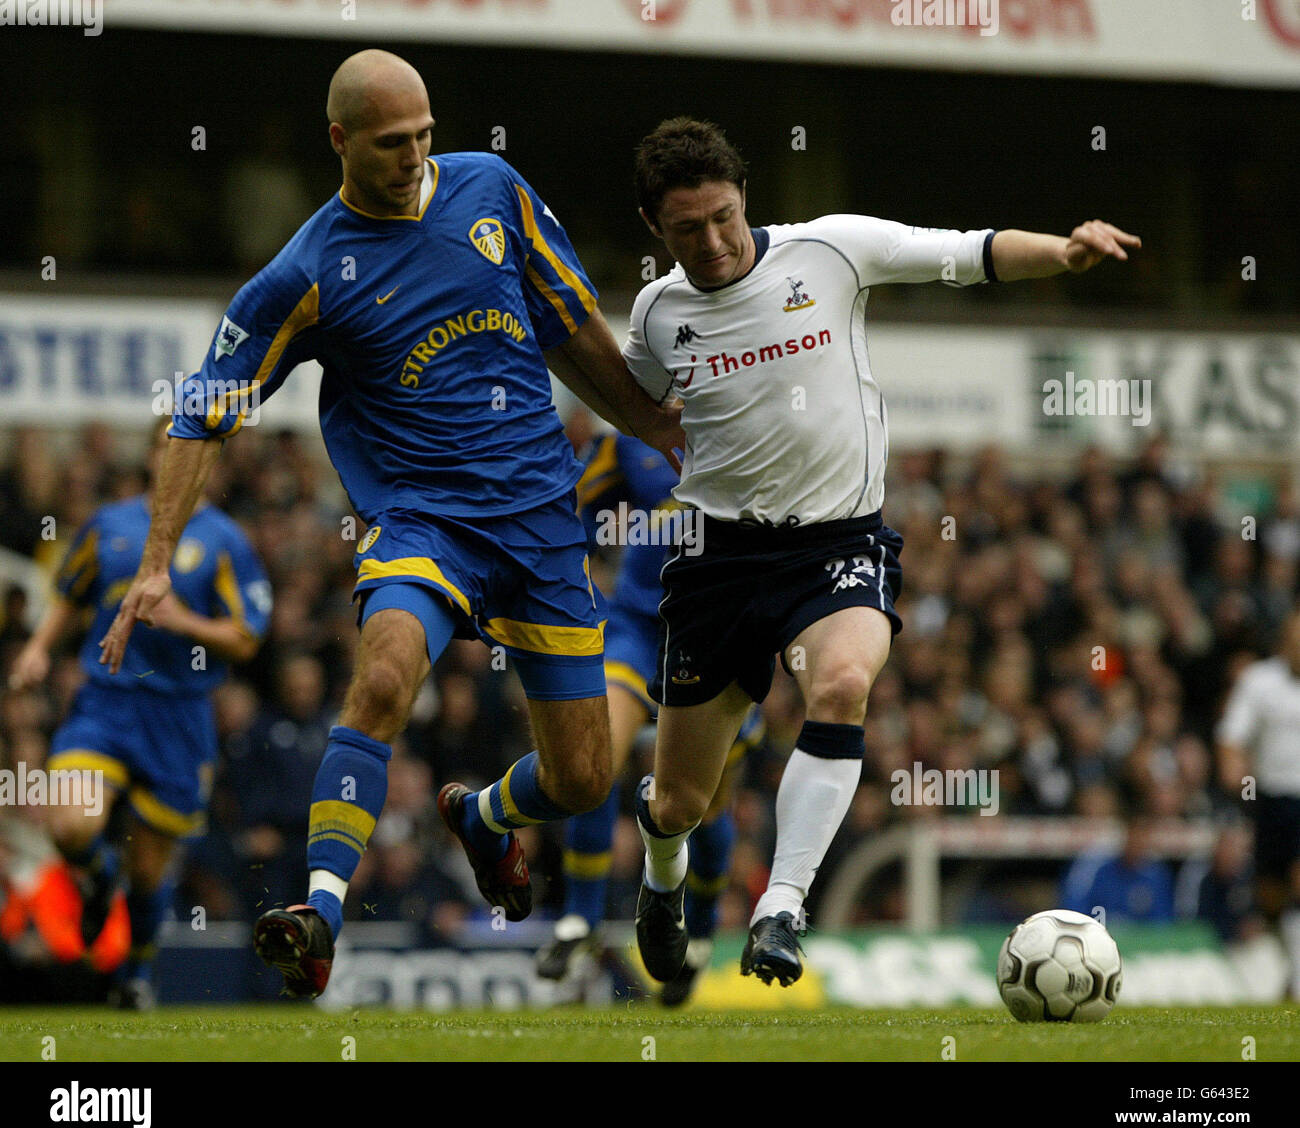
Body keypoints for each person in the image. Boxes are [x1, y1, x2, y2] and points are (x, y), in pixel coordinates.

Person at [98, 50, 681, 1000]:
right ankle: (318, 914)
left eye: (423, 135)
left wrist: (655, 421)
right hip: (423, 520)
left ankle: (486, 816)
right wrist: (158, 561)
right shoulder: (307, 270)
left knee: (582, 780)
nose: (415, 156)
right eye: (390, 142)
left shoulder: (492, 189)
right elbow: (201, 407)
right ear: (339, 141)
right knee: (381, 672)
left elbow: (572, 324)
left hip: (539, 518)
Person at [623, 117, 1141, 986]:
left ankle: (781, 907)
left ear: (745, 198)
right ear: (656, 230)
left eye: (724, 217)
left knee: (842, 682)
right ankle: (661, 875)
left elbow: (968, 252)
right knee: (678, 801)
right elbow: (633, 407)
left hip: (838, 539)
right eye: (687, 229)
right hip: (717, 561)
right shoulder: (657, 314)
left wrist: (1064, 250)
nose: (712, 242)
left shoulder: (831, 251)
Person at [9, 416, 271, 1007]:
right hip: (106, 701)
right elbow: (69, 595)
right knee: (71, 823)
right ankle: (99, 877)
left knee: (150, 870)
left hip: (179, 715)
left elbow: (247, 636)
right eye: (166, 448)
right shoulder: (111, 524)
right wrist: (35, 650)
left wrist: (185, 622)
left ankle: (136, 975)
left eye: (190, 451)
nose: (175, 459)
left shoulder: (226, 541)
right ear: (154, 457)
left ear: (207, 463)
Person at [533, 431, 764, 1005]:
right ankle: (580, 921)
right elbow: (567, 508)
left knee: (704, 806)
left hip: (719, 636)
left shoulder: (758, 428)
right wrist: (570, 583)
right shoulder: (632, 438)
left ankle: (701, 936)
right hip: (638, 630)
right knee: (596, 759)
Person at [1217, 609, 1300, 998]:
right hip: (1271, 802)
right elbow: (1233, 733)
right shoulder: (1259, 680)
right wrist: (1232, 765)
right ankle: (1288, 973)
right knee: (1271, 900)